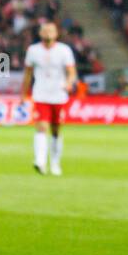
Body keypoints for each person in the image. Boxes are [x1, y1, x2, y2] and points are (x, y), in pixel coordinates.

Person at [21, 21, 77, 176]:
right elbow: (28, 73)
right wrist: (23, 93)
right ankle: (40, 161)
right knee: (41, 127)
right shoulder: (33, 50)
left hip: (59, 95)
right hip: (41, 94)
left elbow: (71, 72)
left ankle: (55, 163)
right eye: (45, 30)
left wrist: (68, 83)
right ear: (40, 33)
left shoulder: (64, 50)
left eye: (51, 30)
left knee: (56, 130)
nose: (47, 33)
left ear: (56, 33)